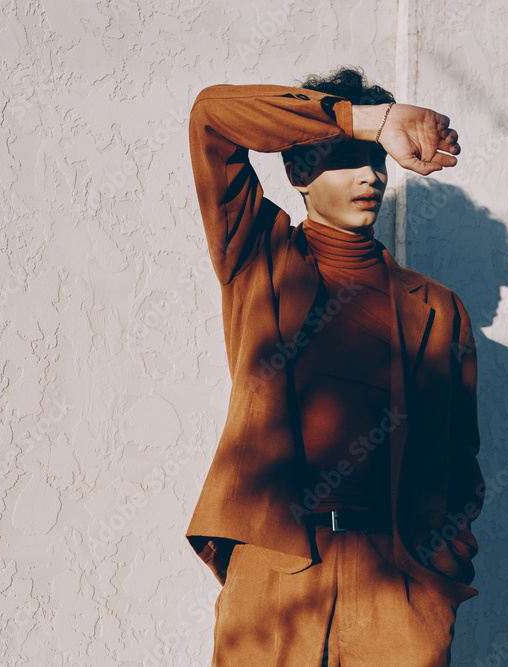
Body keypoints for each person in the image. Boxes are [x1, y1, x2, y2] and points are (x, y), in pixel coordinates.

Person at [184, 66, 484, 667]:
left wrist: (437, 576)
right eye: (347, 159)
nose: (370, 176)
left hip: (395, 585)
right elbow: (212, 116)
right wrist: (368, 119)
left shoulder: (438, 308)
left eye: (376, 159)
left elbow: (460, 465)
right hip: (278, 573)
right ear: (297, 173)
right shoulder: (259, 258)